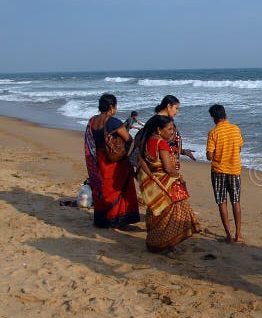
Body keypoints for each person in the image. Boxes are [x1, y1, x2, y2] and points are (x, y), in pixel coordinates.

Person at [135, 114, 202, 252]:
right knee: (177, 212)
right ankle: (166, 244)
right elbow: (168, 168)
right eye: (170, 129)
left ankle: (155, 243)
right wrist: (179, 177)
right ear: (159, 130)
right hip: (165, 184)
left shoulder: (145, 141)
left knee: (156, 213)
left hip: (153, 185)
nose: (172, 132)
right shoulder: (161, 143)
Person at [84, 93, 140, 229]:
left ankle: (102, 220)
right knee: (120, 188)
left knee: (103, 188)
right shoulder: (113, 122)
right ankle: (119, 220)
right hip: (114, 161)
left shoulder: (92, 121)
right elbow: (128, 139)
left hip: (99, 159)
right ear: (111, 107)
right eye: (115, 106)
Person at [206, 104, 245, 243]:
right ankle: (238, 234)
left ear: (213, 118)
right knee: (236, 201)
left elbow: (209, 156)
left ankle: (229, 235)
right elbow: (239, 148)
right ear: (225, 115)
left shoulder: (213, 132)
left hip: (218, 171)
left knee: (222, 202)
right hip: (234, 170)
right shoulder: (236, 129)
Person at [155, 95, 196, 167]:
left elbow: (169, 145)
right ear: (168, 106)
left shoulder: (165, 121)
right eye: (176, 108)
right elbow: (158, 146)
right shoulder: (159, 122)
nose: (177, 112)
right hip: (164, 167)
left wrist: (182, 151)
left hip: (170, 164)